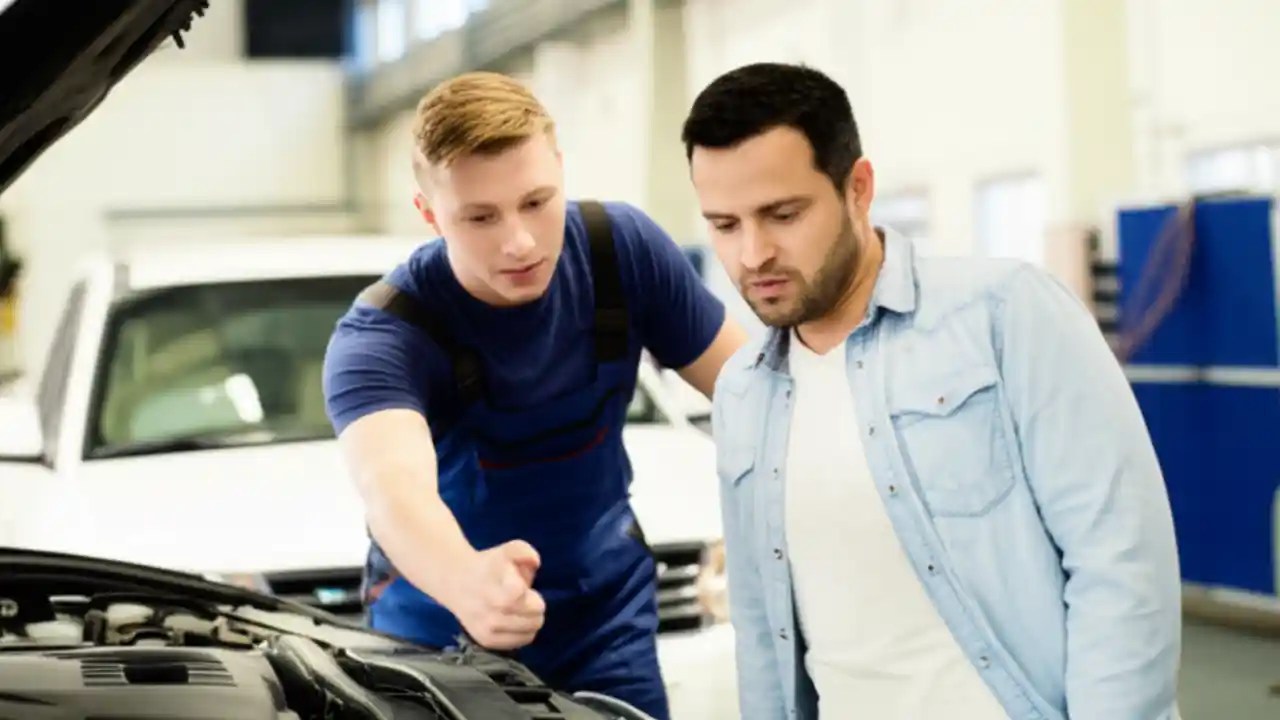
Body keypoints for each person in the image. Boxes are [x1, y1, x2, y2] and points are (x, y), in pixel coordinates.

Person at [682, 62, 1182, 719]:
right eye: (725, 225)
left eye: (783, 214)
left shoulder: (1005, 316)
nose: (753, 254)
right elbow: (759, 627)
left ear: (858, 188)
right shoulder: (744, 393)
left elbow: (1122, 565)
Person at [323, 71, 745, 719]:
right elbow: (393, 491)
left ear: (561, 170)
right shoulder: (382, 335)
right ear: (429, 214)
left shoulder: (623, 252)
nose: (518, 241)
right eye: (480, 217)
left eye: (536, 202)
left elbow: (753, 393)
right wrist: (466, 581)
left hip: (604, 623)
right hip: (437, 636)